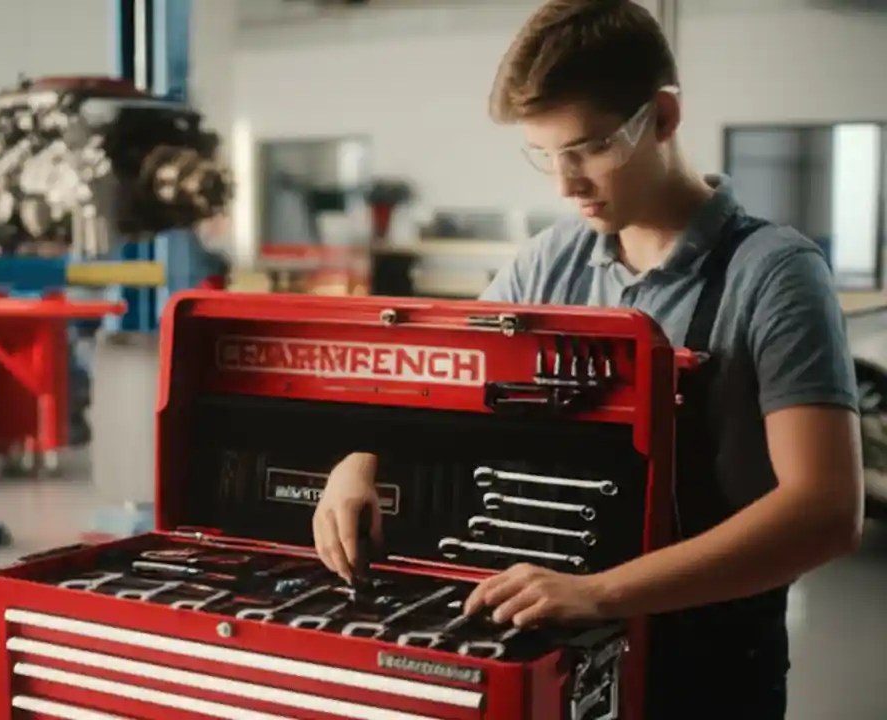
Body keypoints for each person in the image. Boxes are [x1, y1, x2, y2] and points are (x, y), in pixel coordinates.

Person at [310, 1, 864, 717]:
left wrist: (602, 591)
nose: (565, 185)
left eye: (590, 148)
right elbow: (439, 379)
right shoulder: (550, 263)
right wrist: (362, 455)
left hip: (706, 669)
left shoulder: (775, 274)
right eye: (546, 154)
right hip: (565, 654)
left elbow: (823, 511)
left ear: (663, 118)